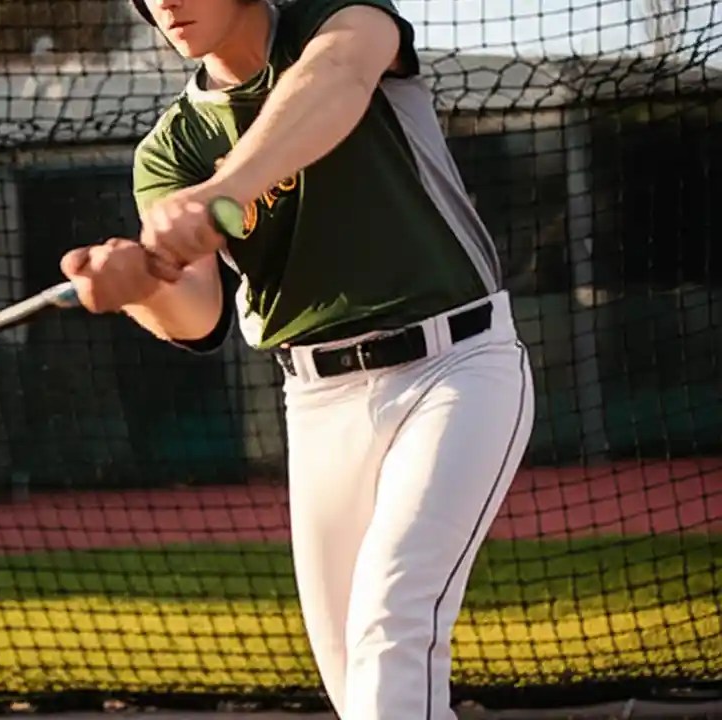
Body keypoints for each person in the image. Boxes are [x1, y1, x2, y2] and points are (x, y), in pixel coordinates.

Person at [57, 0, 537, 718]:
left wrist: (223, 190)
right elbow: (197, 311)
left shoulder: (342, 19)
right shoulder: (170, 149)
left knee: (393, 618)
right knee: (357, 681)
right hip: (319, 406)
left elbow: (335, 79)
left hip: (456, 368)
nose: (165, 0)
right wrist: (138, 288)